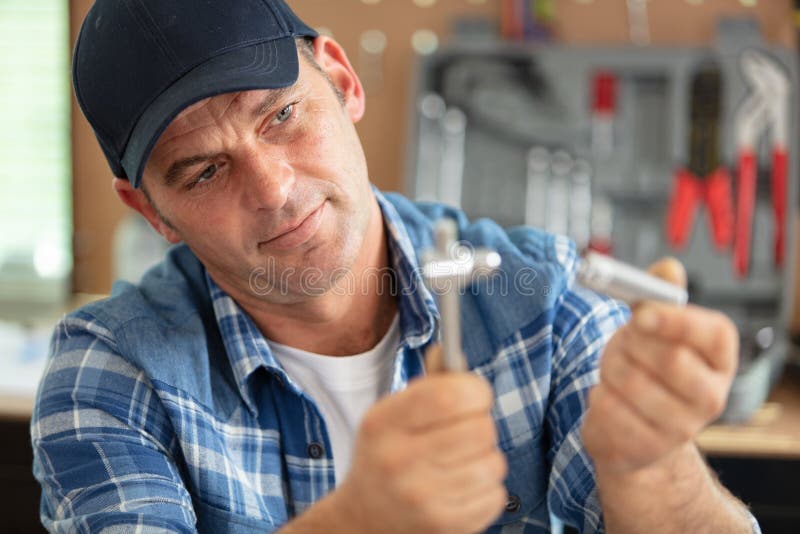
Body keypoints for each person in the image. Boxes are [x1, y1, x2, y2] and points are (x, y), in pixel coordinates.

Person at [32, 1, 758, 532]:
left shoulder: (544, 301)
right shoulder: (111, 373)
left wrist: (649, 466)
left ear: (342, 81)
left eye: (280, 116)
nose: (275, 191)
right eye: (203, 172)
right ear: (151, 212)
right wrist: (358, 523)